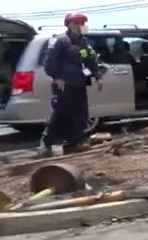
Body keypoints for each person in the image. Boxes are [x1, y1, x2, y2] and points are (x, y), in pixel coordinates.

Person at [38, 12, 104, 157]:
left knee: (81, 115)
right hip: (64, 85)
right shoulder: (60, 40)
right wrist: (56, 77)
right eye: (77, 23)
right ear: (69, 25)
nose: (81, 26)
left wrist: (98, 76)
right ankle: (47, 144)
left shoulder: (84, 42)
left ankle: (73, 143)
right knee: (61, 114)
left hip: (79, 83)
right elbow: (49, 62)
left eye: (82, 23)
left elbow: (91, 60)